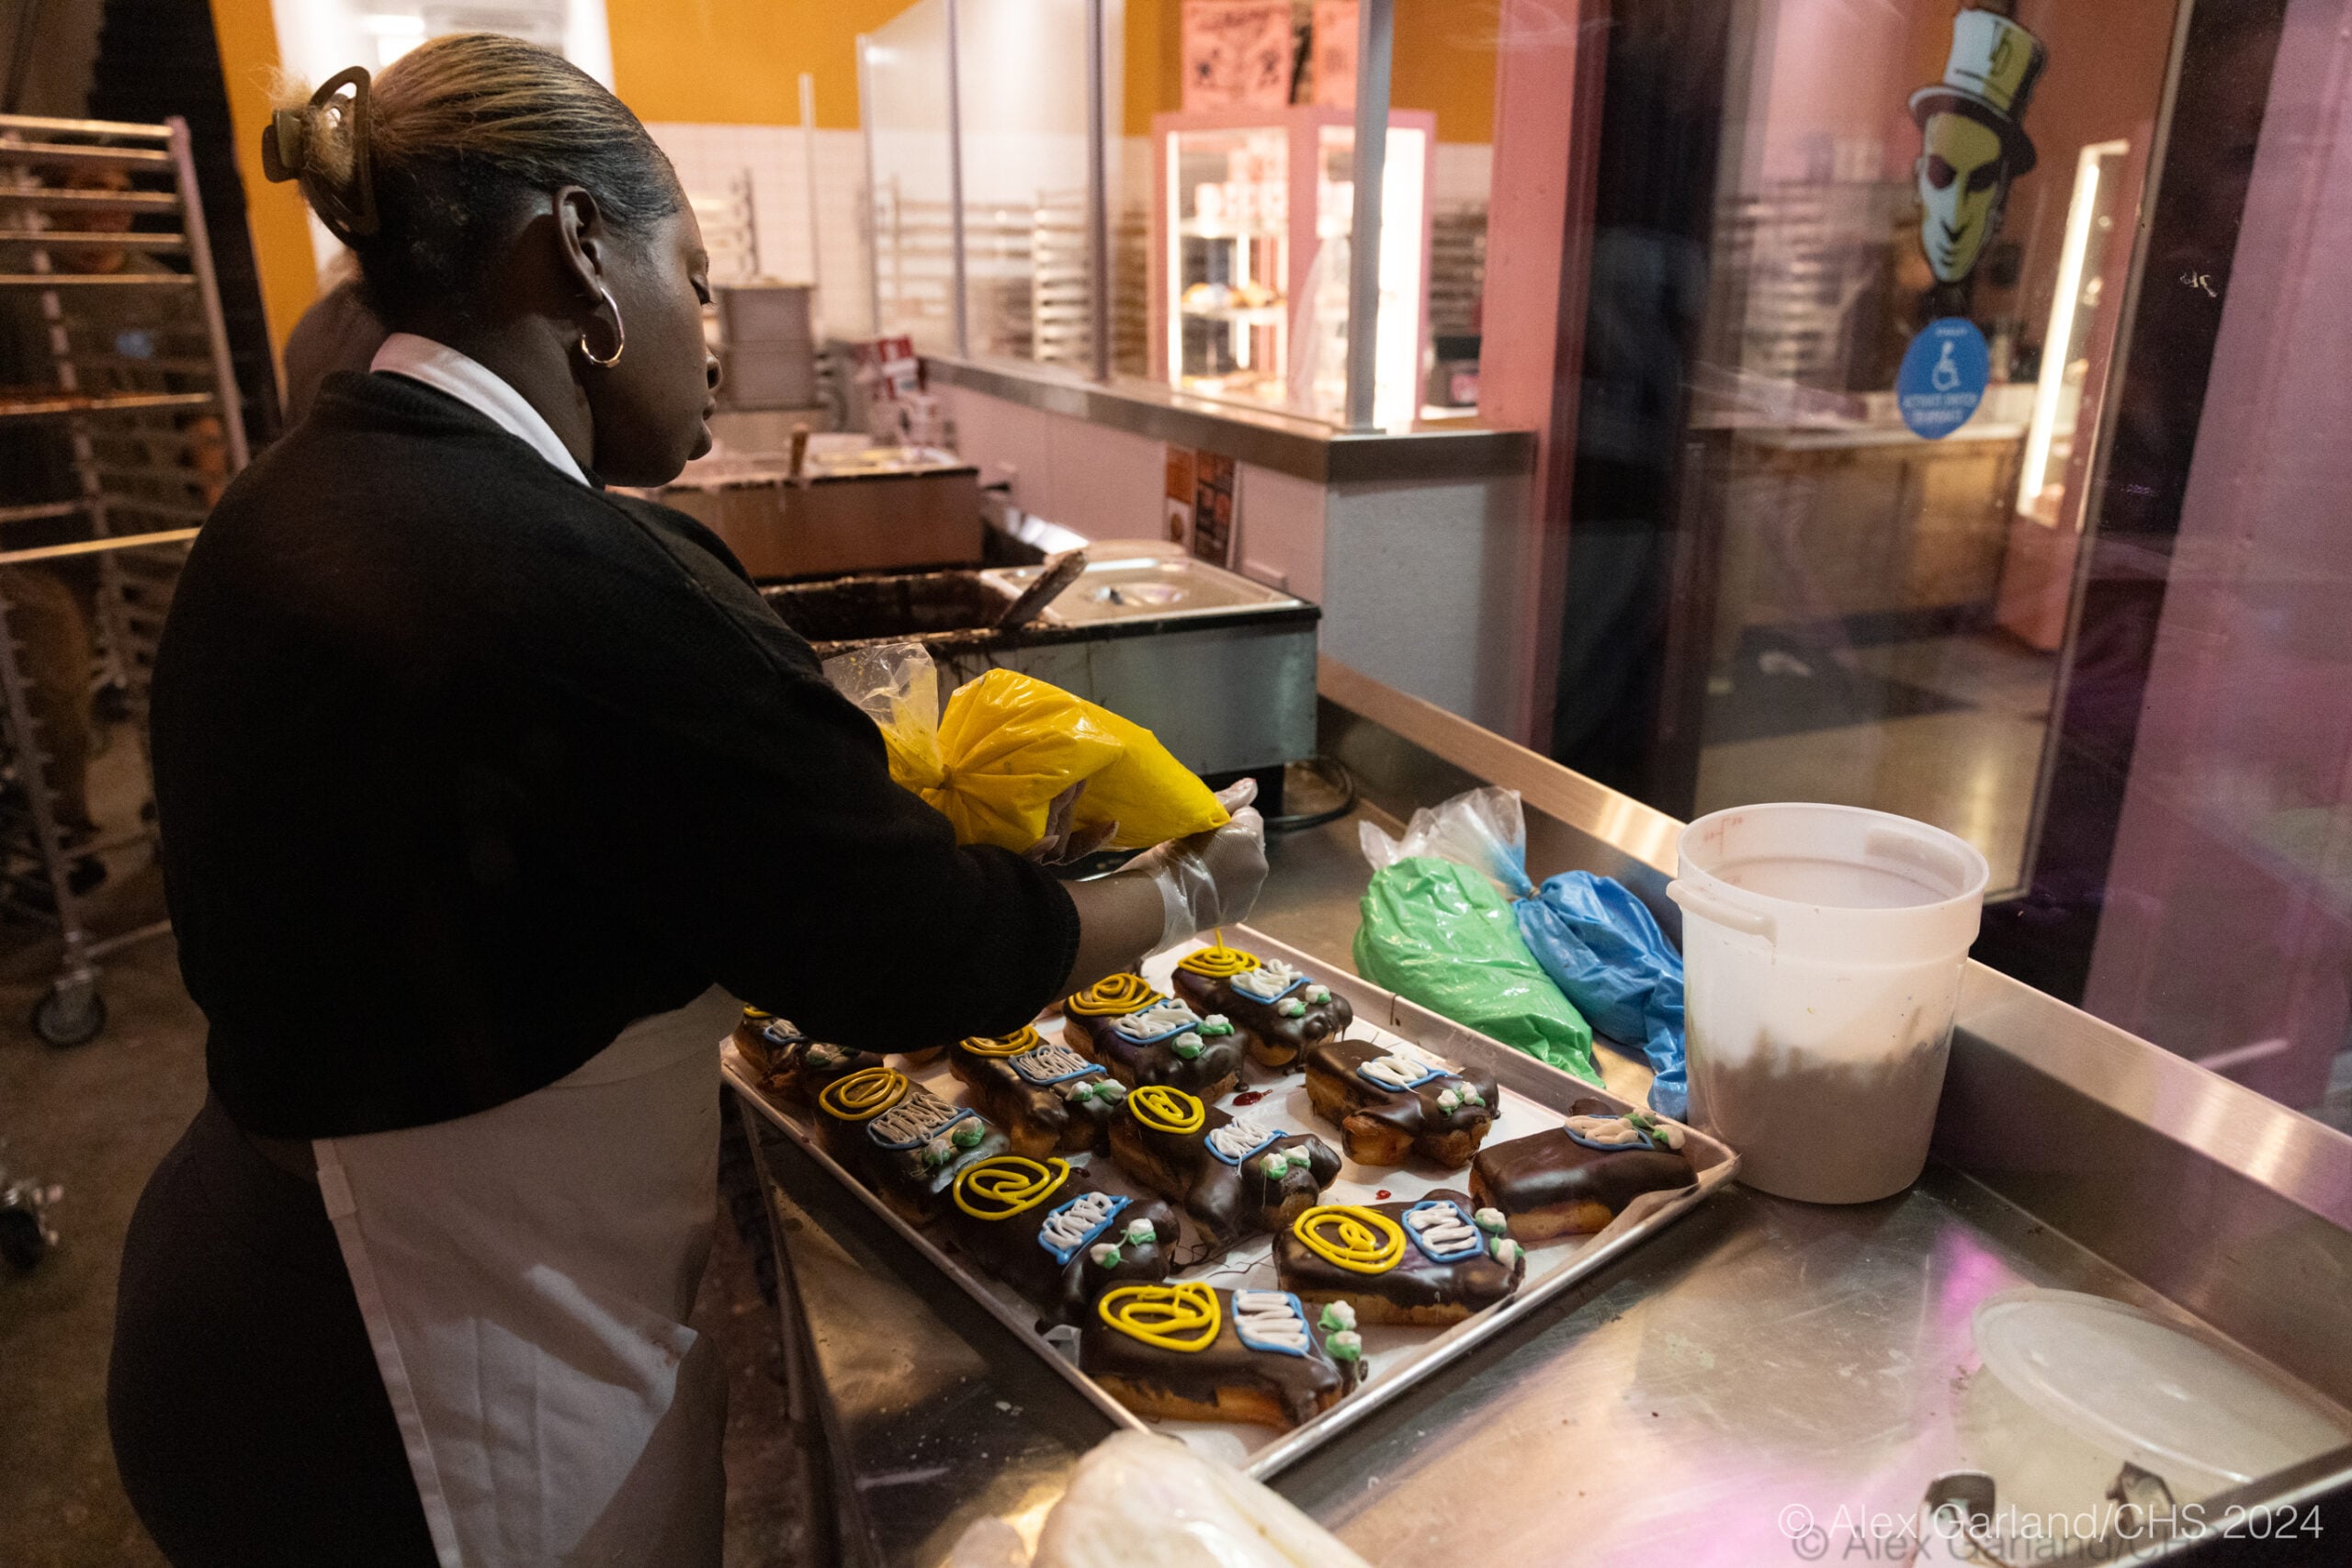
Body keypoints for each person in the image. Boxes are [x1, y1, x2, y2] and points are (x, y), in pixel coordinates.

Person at [105, 36, 1266, 1568]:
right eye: (698, 280)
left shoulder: (300, 494)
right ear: (580, 255)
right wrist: (1190, 889)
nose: (710, 340)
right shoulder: (551, 570)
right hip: (424, 1377)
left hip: (246, 1287)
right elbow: (917, 959)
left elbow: (555, 824)